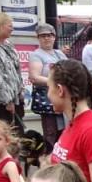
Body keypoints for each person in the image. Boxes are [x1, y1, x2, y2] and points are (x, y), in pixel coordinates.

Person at [29, 23, 68, 151]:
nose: (46, 38)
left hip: (63, 99)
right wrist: (55, 82)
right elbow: (35, 77)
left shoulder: (59, 54)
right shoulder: (36, 54)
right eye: (43, 36)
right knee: (51, 134)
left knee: (64, 133)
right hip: (47, 100)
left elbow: (70, 71)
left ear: (54, 37)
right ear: (38, 38)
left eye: (49, 35)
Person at [0, 13, 24, 127]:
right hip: (2, 103)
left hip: (16, 100)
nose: (12, 28)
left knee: (18, 134)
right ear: (0, 26)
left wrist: (20, 92)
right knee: (8, 133)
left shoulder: (8, 45)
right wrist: (7, 101)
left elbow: (16, 71)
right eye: (9, 25)